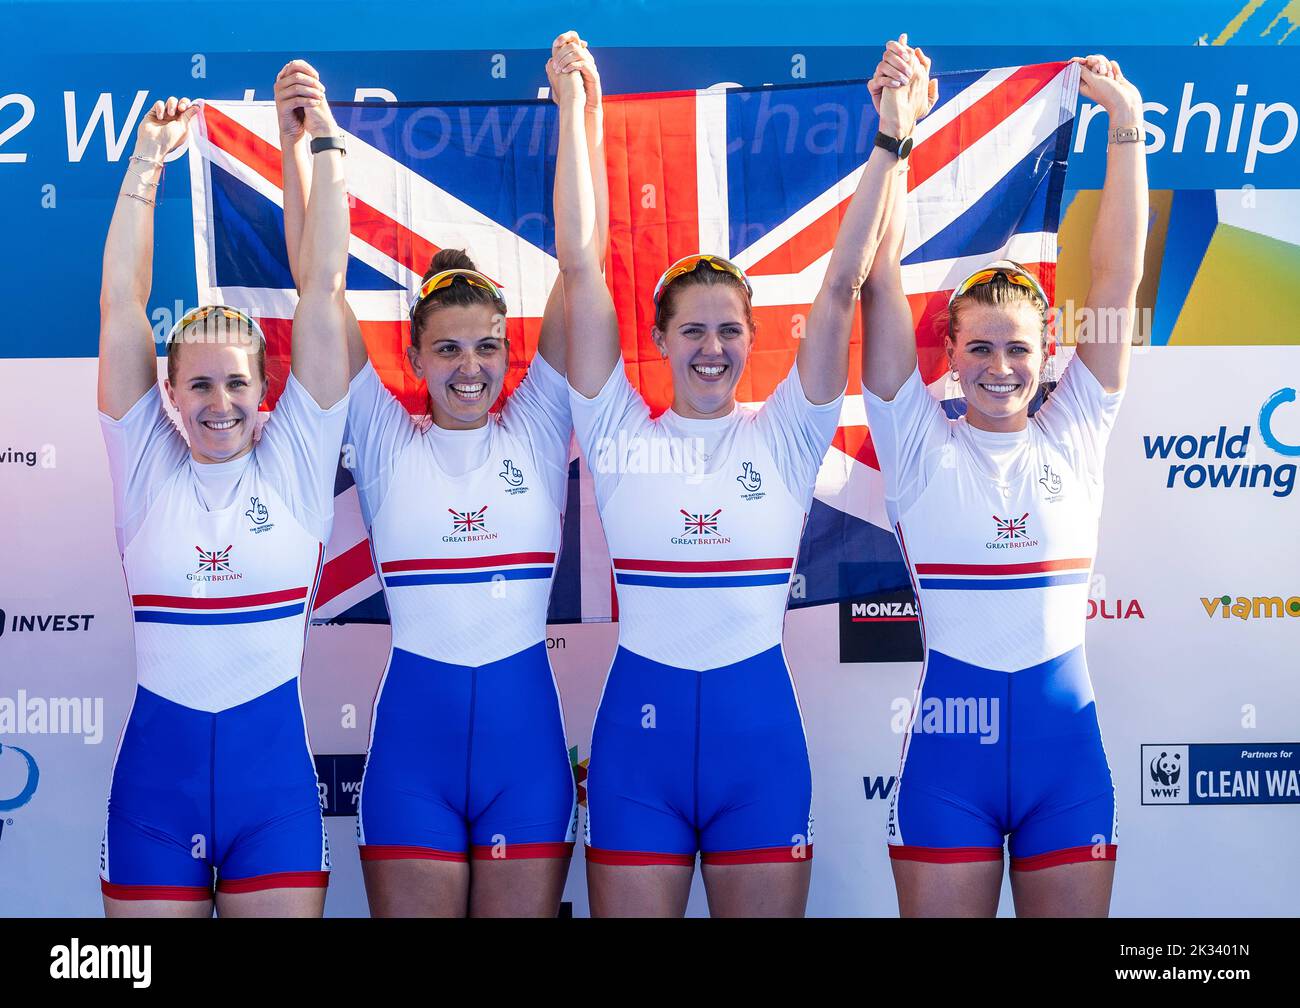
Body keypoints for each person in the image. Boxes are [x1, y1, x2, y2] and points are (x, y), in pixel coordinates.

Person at [552, 32, 918, 916]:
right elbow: (579, 266)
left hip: (759, 753)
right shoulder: (616, 431)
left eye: (730, 330)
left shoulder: (787, 434)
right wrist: (573, 111)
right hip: (639, 751)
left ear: (754, 340)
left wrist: (893, 140)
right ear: (661, 341)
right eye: (693, 330)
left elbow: (843, 287)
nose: (713, 347)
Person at [275, 51, 608, 917]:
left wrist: (576, 108)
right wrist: (306, 149)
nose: (470, 367)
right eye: (450, 349)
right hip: (410, 763)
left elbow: (581, 267)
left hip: (525, 757)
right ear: (416, 356)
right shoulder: (384, 434)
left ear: (510, 352)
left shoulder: (538, 423)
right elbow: (320, 290)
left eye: (488, 346)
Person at [860, 41, 1147, 916]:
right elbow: (877, 282)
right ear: (948, 355)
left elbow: (1116, 277)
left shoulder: (1078, 427)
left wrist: (1127, 131)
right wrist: (895, 135)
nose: (998, 367)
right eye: (978, 348)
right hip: (951, 766)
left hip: (1067, 766)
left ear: (1046, 354)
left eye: (1017, 348)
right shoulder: (914, 440)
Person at [97, 86, 352, 917]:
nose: (218, 403)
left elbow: (322, 292)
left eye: (236, 384)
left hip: (269, 800)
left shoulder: (299, 461)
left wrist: (322, 150)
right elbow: (121, 306)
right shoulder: (144, 461)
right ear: (167, 390)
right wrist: (144, 167)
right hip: (152, 802)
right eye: (198, 384)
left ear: (265, 387)